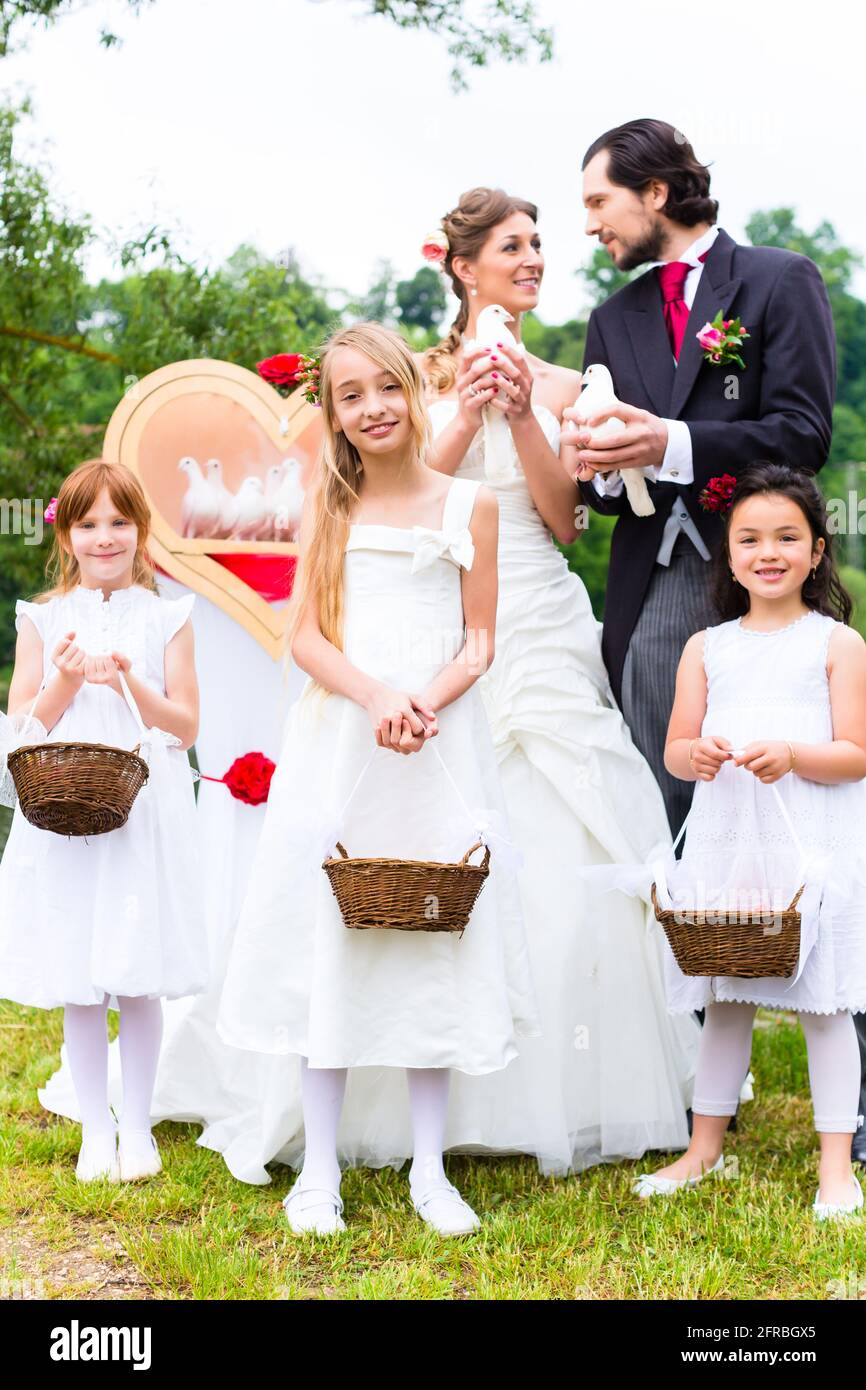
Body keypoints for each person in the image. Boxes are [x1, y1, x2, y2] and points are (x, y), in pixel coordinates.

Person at [214, 322, 540, 1236]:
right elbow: (307, 637)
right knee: (332, 933)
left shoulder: (469, 504)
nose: (373, 408)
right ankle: (317, 1167)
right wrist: (375, 698)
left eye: (387, 387)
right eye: (350, 396)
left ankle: (430, 1168)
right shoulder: (329, 505)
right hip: (346, 742)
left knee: (431, 927)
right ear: (333, 414)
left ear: (414, 390)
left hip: (434, 744)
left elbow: (479, 640)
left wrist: (419, 703)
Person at [412, 185, 699, 1173]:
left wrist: (523, 413)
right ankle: (436, 1073)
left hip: (537, 607)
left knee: (578, 812)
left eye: (537, 243)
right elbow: (412, 499)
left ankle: (582, 1084)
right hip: (441, 603)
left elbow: (565, 520)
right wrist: (467, 407)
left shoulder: (568, 383)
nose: (533, 257)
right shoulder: (414, 375)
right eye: (512, 245)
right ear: (462, 266)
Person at [632, 464, 866, 1220]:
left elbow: (857, 753)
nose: (769, 553)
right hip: (733, 844)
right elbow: (675, 750)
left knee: (824, 1004)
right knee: (727, 994)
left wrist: (794, 754)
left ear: (817, 550)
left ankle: (836, 1164)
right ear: (728, 555)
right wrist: (695, 755)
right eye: (751, 539)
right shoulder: (707, 647)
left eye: (788, 538)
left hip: (810, 843)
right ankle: (704, 1148)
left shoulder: (837, 644)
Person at [0, 460, 207, 1183]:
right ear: (66, 535)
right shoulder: (42, 619)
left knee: (137, 971)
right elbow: (22, 729)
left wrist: (128, 681)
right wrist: (64, 678)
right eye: (89, 524)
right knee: (79, 970)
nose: (105, 537)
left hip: (141, 810)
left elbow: (185, 726)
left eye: (120, 522)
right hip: (64, 813)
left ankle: (138, 1125)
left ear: (141, 530)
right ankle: (96, 1126)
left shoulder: (167, 617)